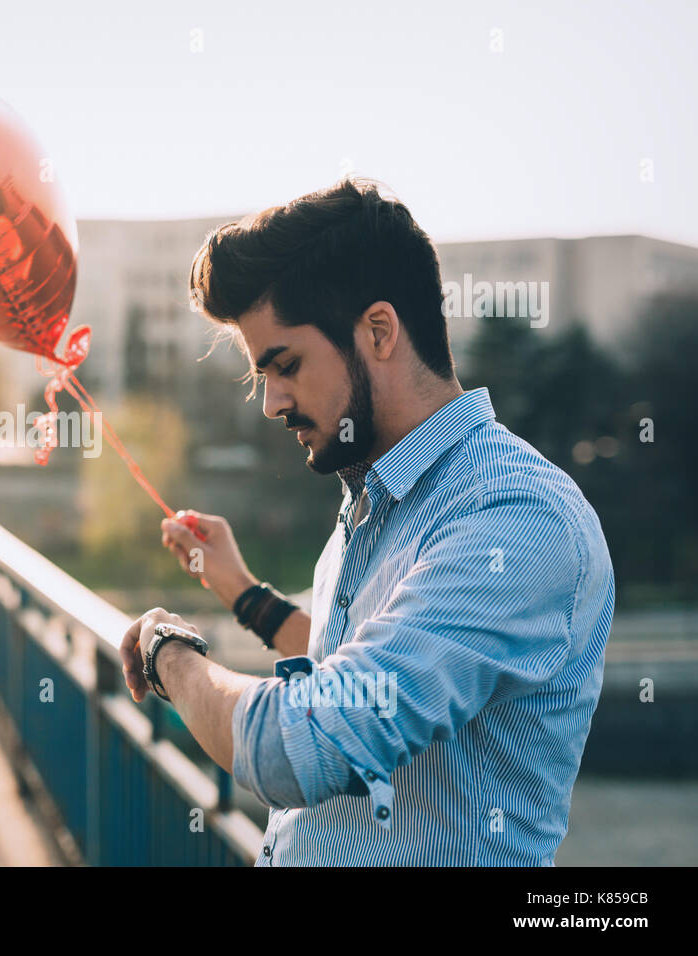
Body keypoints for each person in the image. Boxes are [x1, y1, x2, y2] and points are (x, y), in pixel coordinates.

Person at [120, 178, 614, 866]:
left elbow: (303, 745)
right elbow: (360, 659)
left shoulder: (517, 520)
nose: (272, 403)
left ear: (379, 331)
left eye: (284, 365)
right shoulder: (380, 493)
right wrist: (240, 590)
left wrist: (167, 655)